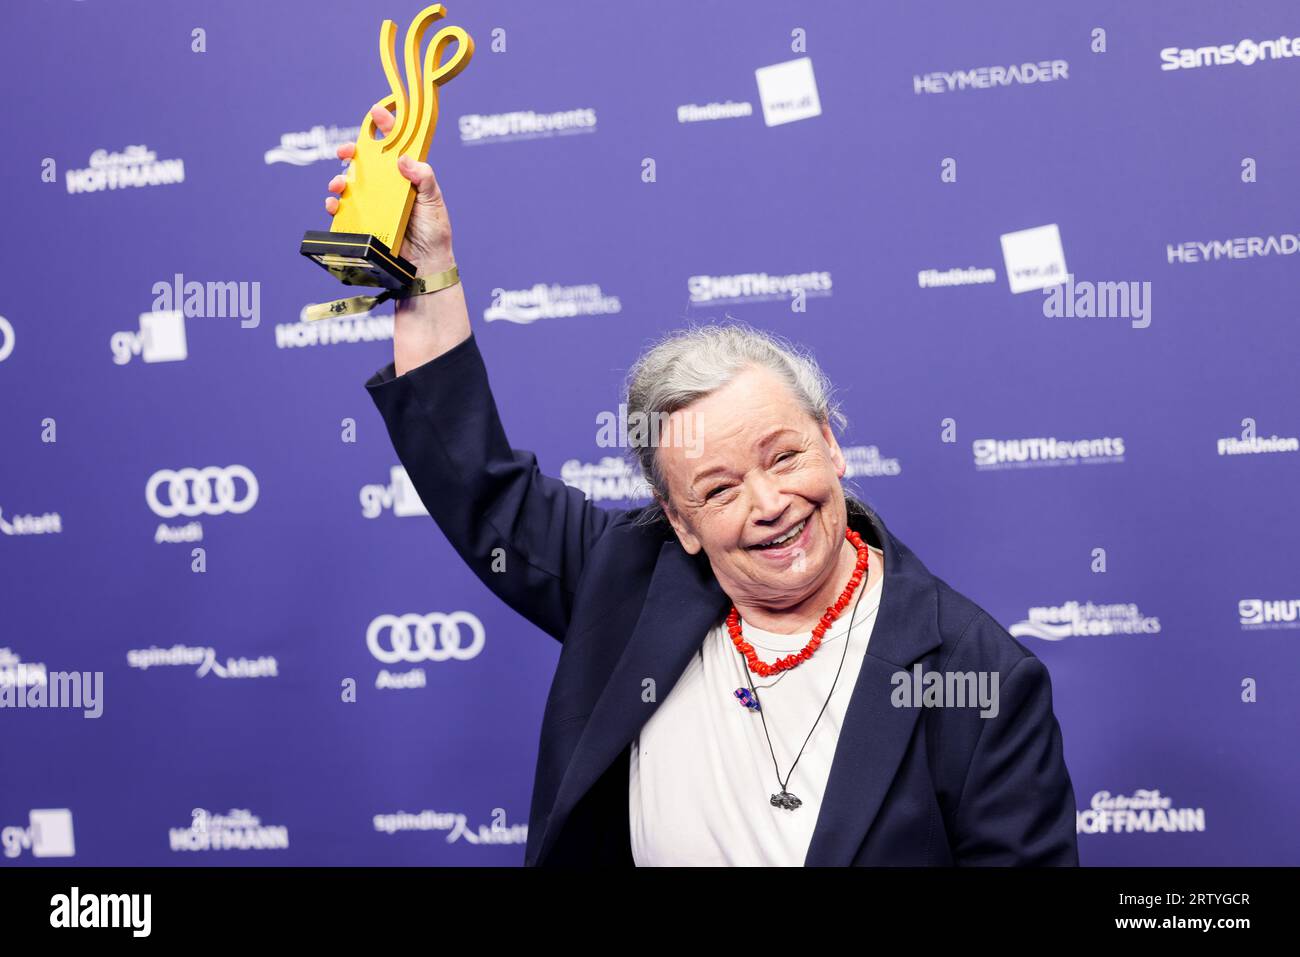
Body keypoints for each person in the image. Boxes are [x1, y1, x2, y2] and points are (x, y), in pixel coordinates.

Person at [330, 104, 1080, 867]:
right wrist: (425, 272)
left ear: (831, 442)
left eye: (784, 456)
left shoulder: (976, 675)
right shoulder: (629, 580)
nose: (768, 505)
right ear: (678, 521)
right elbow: (480, 488)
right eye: (718, 490)